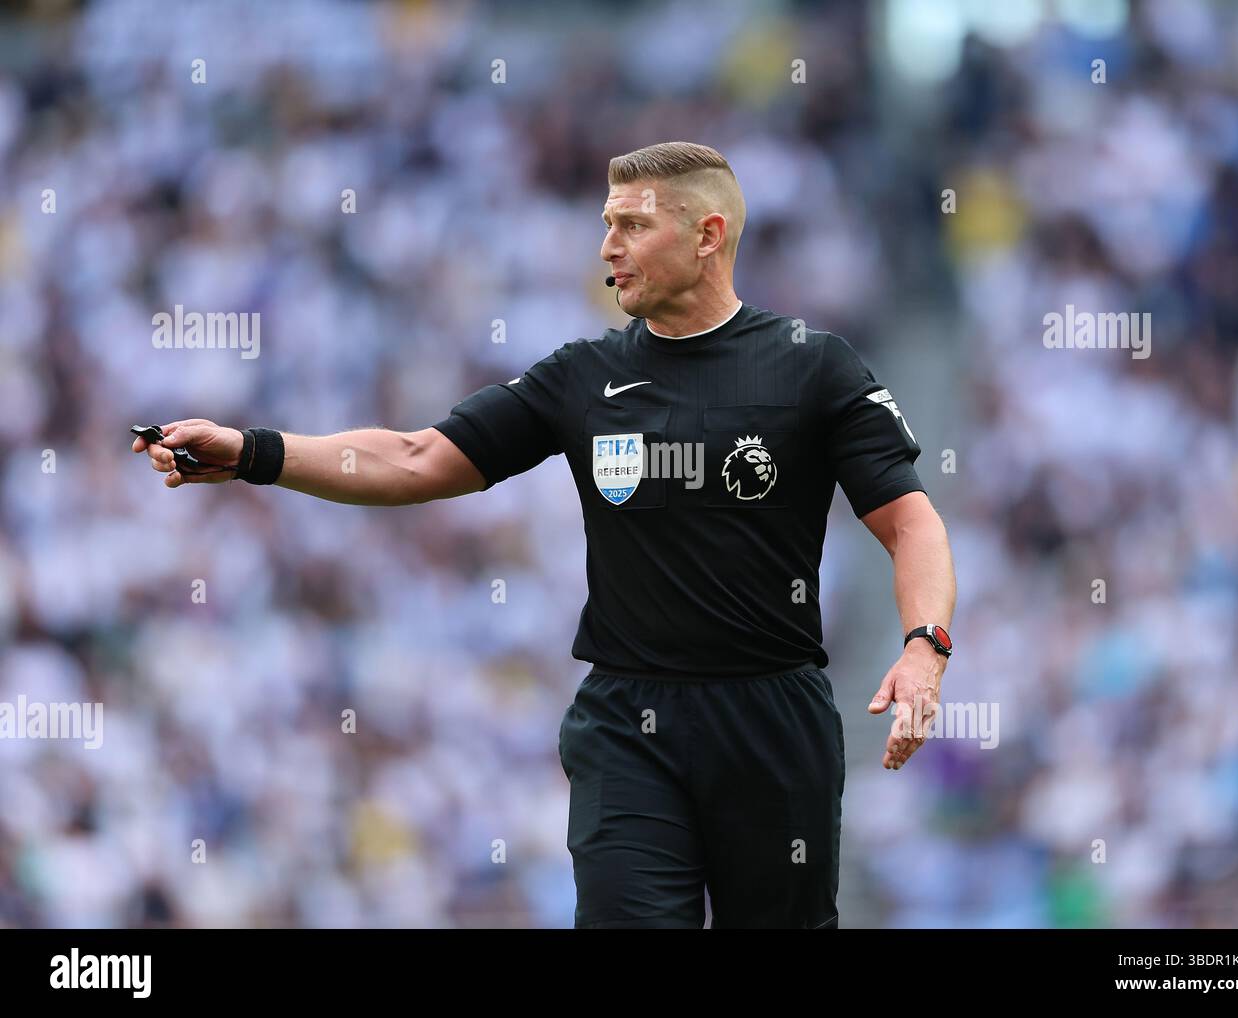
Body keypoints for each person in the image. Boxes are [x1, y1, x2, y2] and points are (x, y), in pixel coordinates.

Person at [133, 141, 957, 929]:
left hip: (773, 720)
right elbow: (418, 459)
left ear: (708, 236)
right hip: (628, 721)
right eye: (606, 223)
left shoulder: (815, 367)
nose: (609, 244)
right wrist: (253, 453)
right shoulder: (583, 376)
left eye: (633, 224)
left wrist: (924, 645)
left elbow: (909, 521)